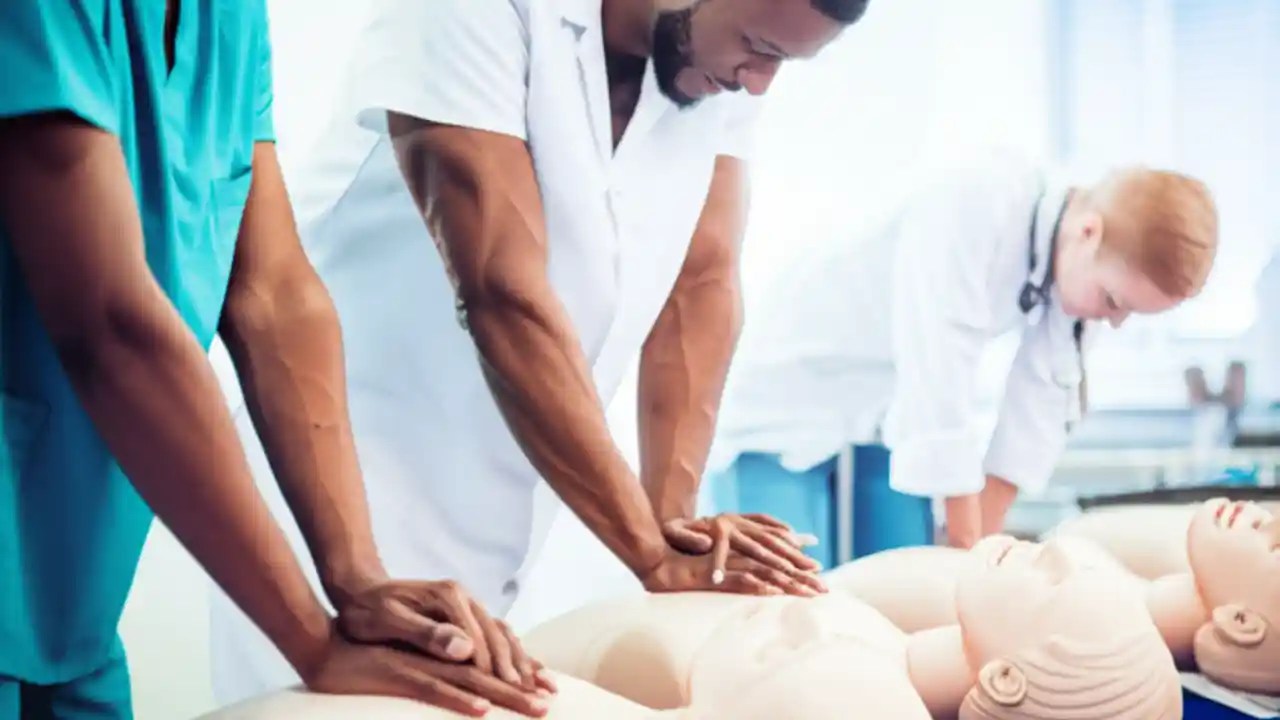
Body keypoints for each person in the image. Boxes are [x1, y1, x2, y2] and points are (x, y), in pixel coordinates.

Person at [210, 0, 872, 705]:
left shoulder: (716, 65)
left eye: (784, 61)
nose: (762, 81)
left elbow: (700, 280)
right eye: (758, 46)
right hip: (346, 480)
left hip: (512, 493)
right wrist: (646, 549)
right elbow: (500, 292)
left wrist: (674, 518)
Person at [0, 2, 551, 718]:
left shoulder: (226, 18)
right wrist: (313, 643)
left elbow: (274, 294)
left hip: (67, 607)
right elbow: (112, 325)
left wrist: (356, 577)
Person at [710, 147, 1220, 552]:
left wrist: (974, 561)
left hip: (883, 412)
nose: (1112, 321)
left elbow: (1035, 413)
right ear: (1089, 233)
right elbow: (939, 369)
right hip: (785, 393)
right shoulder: (977, 202)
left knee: (899, 589)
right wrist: (968, 553)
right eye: (1113, 301)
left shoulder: (1074, 263)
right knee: (781, 592)